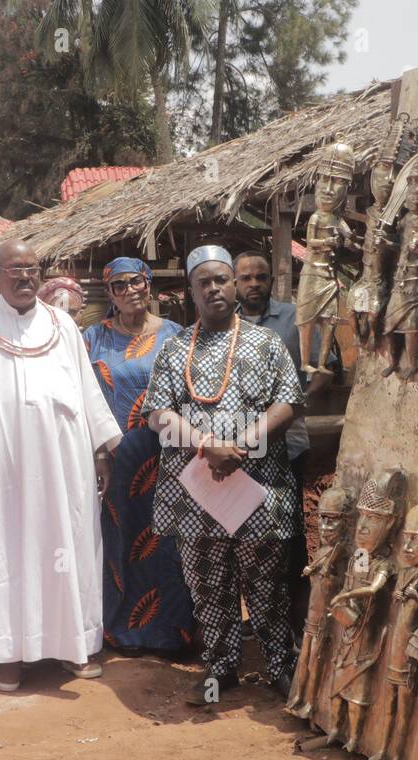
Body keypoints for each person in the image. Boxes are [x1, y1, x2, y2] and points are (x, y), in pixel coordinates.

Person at [144, 245, 304, 705]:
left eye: (221, 279)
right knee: (207, 586)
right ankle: (219, 670)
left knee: (267, 586)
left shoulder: (266, 344)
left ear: (234, 284)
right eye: (203, 282)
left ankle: (280, 668)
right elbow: (157, 414)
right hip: (197, 493)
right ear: (191, 291)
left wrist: (246, 442)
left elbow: (289, 401)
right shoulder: (175, 351)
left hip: (257, 488)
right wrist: (208, 445)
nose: (214, 288)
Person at [0, 240, 122, 691]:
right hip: (5, 464)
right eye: (15, 269)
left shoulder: (64, 326)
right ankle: (9, 651)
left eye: (32, 268)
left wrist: (99, 450)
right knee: (6, 547)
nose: (25, 277)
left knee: (68, 540)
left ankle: (74, 644)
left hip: (64, 461)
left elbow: (88, 389)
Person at [82, 257, 194, 656]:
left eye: (137, 282)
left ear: (149, 285)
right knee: (120, 539)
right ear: (109, 293)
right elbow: (84, 399)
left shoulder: (178, 335)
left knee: (170, 539)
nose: (130, 290)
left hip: (170, 457)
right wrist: (97, 452)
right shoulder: (92, 339)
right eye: (119, 285)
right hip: (117, 462)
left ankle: (173, 633)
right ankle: (121, 631)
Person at [234, 250, 339, 631]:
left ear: (271, 281)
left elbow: (326, 368)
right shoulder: (223, 323)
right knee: (245, 531)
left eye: (261, 277)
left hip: (288, 444)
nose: (254, 284)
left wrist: (294, 406)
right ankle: (258, 615)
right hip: (240, 449)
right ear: (234, 282)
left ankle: (295, 621)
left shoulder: (295, 319)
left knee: (289, 534)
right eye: (246, 278)